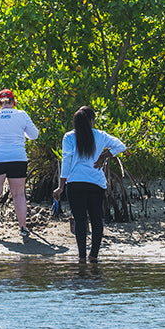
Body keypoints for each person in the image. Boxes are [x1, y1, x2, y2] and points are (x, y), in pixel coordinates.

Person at [52, 105, 127, 262]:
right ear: (92, 121)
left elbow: (66, 162)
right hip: (95, 183)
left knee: (80, 220)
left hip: (75, 183)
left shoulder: (69, 137)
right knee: (96, 219)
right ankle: (93, 256)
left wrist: (61, 186)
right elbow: (121, 146)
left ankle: (81, 257)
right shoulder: (100, 135)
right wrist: (104, 156)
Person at [0, 89, 39, 240]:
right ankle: (23, 228)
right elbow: (34, 135)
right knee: (18, 194)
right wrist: (21, 134)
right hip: (17, 158)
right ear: (14, 102)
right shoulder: (21, 114)